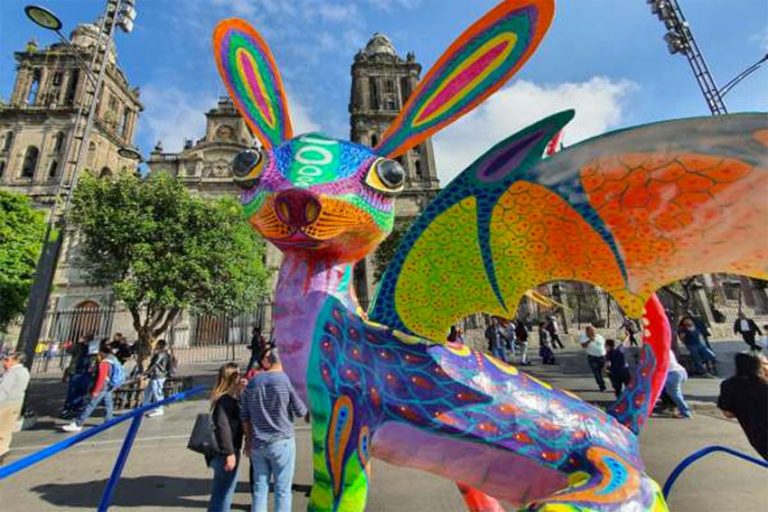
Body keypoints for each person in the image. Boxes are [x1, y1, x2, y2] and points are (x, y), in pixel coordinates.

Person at [241, 350, 308, 512]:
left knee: (259, 489)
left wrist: (248, 440)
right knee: (282, 490)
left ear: (267, 362)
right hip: (281, 441)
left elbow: (244, 414)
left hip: (258, 442)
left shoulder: (253, 382)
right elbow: (300, 411)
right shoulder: (285, 381)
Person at [61, 341, 123, 432]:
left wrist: (95, 391)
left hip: (103, 385)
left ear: (101, 353)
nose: (96, 356)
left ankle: (78, 423)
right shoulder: (113, 359)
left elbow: (101, 378)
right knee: (108, 402)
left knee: (90, 404)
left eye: (97, 354)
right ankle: (108, 420)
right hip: (110, 384)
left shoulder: (104, 363)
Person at [717, 352, 767, 460]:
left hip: (758, 439)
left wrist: (745, 410)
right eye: (765, 363)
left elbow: (728, 414)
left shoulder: (728, 385)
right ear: (758, 367)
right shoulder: (764, 385)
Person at [207, 363, 243, 512]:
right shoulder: (225, 401)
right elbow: (223, 427)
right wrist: (230, 453)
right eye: (239, 375)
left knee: (222, 490)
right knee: (223, 492)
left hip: (225, 451)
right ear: (233, 378)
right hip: (226, 451)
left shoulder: (226, 399)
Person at [0, 352, 31, 462]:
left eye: (7, 360)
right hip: (16, 403)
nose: (4, 362)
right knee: (6, 429)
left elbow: (3, 390)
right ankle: (3, 449)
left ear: (15, 361)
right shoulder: (25, 372)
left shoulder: (13, 373)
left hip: (5, 404)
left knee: (1, 428)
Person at [61, 335, 92, 419]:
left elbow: (69, 350)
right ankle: (70, 408)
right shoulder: (79, 346)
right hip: (78, 371)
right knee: (74, 391)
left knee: (79, 392)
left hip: (83, 372)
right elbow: (69, 351)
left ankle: (74, 408)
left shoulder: (92, 348)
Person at [144, 339, 172, 417]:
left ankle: (159, 409)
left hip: (158, 375)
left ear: (159, 345)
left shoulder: (160, 354)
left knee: (157, 392)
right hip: (157, 375)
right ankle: (145, 406)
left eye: (157, 344)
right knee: (148, 391)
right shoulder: (166, 354)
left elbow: (154, 364)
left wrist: (147, 372)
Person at [665, 350, 692, 418]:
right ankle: (682, 410)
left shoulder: (659, 351)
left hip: (672, 373)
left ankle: (685, 412)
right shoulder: (667, 349)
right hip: (681, 371)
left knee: (675, 394)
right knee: (675, 393)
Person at [580, 325, 607, 392]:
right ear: (587, 332)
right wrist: (589, 340)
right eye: (591, 331)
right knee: (597, 373)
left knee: (609, 371)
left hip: (603, 356)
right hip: (593, 358)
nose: (593, 332)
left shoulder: (599, 336)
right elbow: (583, 346)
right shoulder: (584, 337)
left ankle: (616, 385)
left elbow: (605, 345)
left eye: (594, 331)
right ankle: (602, 386)